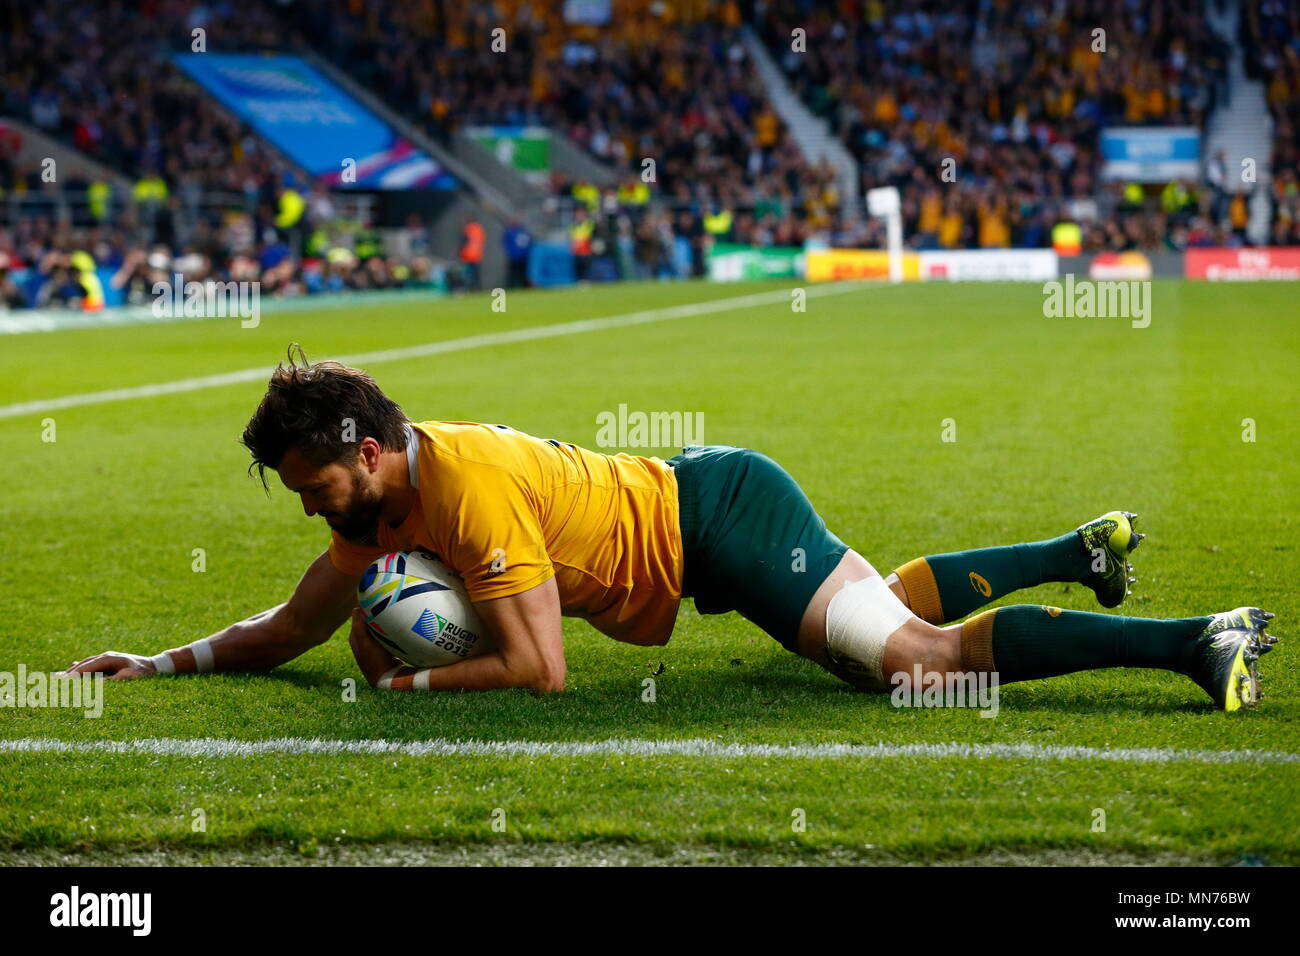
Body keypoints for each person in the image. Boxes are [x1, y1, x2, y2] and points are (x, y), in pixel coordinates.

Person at [65, 353, 1278, 710]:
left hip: (718, 519)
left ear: (362, 454)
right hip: (702, 518)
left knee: (914, 668)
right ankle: (1076, 551)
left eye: (311, 484)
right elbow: (293, 622)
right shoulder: (388, 502)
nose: (307, 505)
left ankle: (1192, 643)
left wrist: (407, 691)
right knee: (886, 630)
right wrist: (159, 660)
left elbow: (539, 670)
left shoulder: (464, 492)